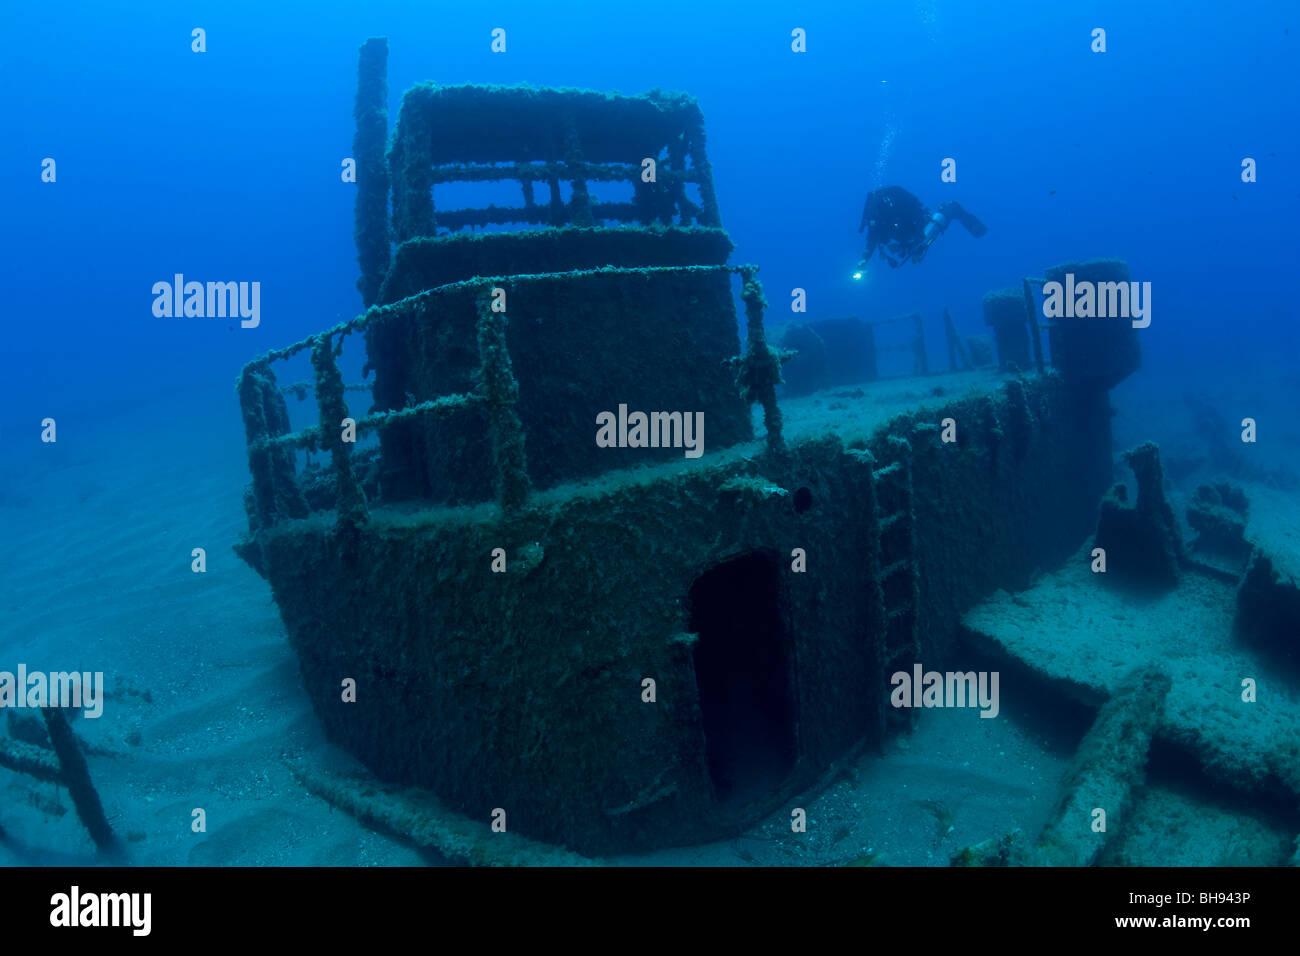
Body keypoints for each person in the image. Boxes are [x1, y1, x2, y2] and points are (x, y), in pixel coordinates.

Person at [856, 186, 987, 272]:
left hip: (914, 225)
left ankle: (951, 209)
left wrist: (918, 238)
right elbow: (871, 239)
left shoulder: (894, 209)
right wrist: (864, 259)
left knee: (935, 225)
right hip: (905, 233)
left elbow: (915, 215)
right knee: (915, 250)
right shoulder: (875, 220)